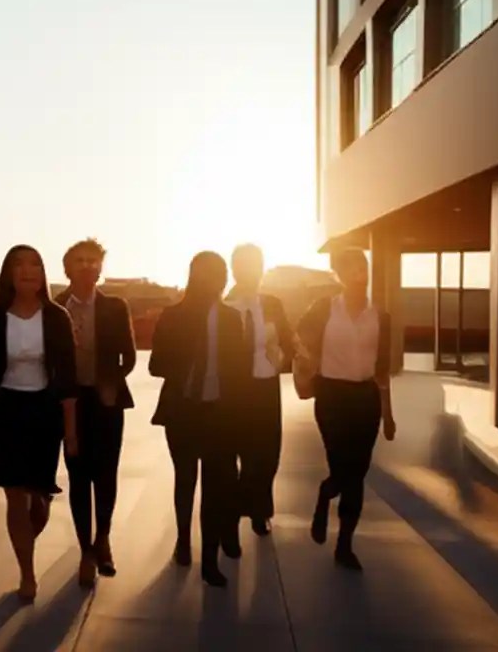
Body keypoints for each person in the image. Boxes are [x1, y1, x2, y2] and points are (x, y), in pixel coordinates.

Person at [0, 245, 78, 603]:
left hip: (44, 412)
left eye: (34, 265)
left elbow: (68, 379)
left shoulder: (57, 317)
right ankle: (27, 573)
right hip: (5, 413)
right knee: (15, 495)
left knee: (39, 500)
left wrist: (71, 432)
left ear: (43, 274)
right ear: (8, 274)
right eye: (19, 265)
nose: (28, 271)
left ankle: (34, 522)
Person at [149, 251, 248, 587]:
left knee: (215, 487)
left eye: (219, 273)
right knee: (186, 478)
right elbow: (156, 365)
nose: (214, 280)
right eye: (207, 274)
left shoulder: (231, 319)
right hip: (183, 410)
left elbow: (240, 371)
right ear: (194, 276)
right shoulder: (174, 316)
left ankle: (209, 559)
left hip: (219, 412)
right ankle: (182, 540)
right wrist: (187, 354)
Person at [295, 248, 396, 571]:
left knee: (357, 474)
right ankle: (325, 494)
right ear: (339, 275)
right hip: (332, 397)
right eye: (351, 269)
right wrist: (310, 360)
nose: (359, 275)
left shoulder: (380, 317)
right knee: (342, 469)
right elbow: (298, 337)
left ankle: (345, 545)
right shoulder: (324, 309)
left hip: (366, 399)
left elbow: (382, 371)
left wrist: (388, 414)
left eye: (362, 268)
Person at [54, 239, 136, 587]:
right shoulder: (55, 308)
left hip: (106, 403)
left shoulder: (115, 307)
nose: (88, 266)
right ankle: (85, 551)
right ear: (68, 268)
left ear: (101, 268)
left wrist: (111, 382)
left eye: (93, 260)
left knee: (105, 475)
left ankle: (103, 539)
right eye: (80, 260)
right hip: (70, 405)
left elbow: (129, 357)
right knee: (78, 477)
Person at [225, 244, 295, 536]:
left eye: (256, 265)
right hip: (233, 389)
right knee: (238, 449)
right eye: (245, 265)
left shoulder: (272, 304)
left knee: (267, 452)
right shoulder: (224, 306)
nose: (252, 272)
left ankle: (259, 508)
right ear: (234, 269)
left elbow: (288, 341)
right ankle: (236, 508)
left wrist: (281, 358)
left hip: (265, 385)